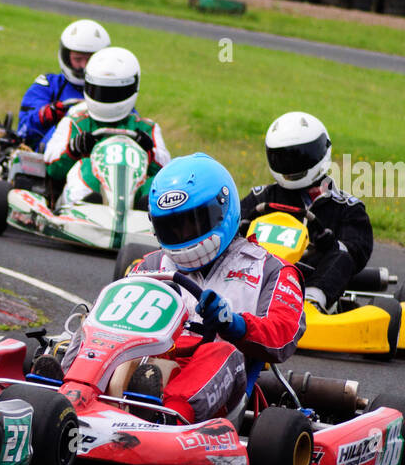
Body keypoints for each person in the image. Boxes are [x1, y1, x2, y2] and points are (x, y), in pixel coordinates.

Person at [126, 153, 305, 424]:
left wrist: (234, 324)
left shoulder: (271, 270)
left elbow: (282, 337)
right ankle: (73, 392)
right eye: (171, 227)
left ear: (222, 211)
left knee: (221, 352)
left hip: (218, 382)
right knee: (98, 331)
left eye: (192, 222)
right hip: (149, 365)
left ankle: (170, 418)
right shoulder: (152, 265)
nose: (183, 235)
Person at [241, 111, 373, 311]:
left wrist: (328, 244)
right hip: (253, 279)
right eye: (283, 158)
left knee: (342, 252)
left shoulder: (347, 208)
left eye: (299, 157)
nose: (291, 166)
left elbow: (356, 252)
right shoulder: (260, 198)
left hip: (310, 280)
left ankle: (312, 305)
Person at [43, 47, 171, 213]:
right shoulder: (74, 123)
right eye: (99, 91)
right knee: (85, 165)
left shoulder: (147, 128)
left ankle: (149, 211)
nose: (105, 97)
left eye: (114, 93)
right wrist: (74, 149)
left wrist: (149, 151)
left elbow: (167, 171)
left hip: (133, 196)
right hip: (90, 192)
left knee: (157, 183)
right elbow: (51, 166)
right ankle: (86, 205)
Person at [15, 19, 111, 150]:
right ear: (66, 57)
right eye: (78, 59)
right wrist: (47, 115)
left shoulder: (113, 90)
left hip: (99, 158)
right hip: (49, 160)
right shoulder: (48, 85)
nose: (84, 66)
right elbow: (23, 131)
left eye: (90, 59)